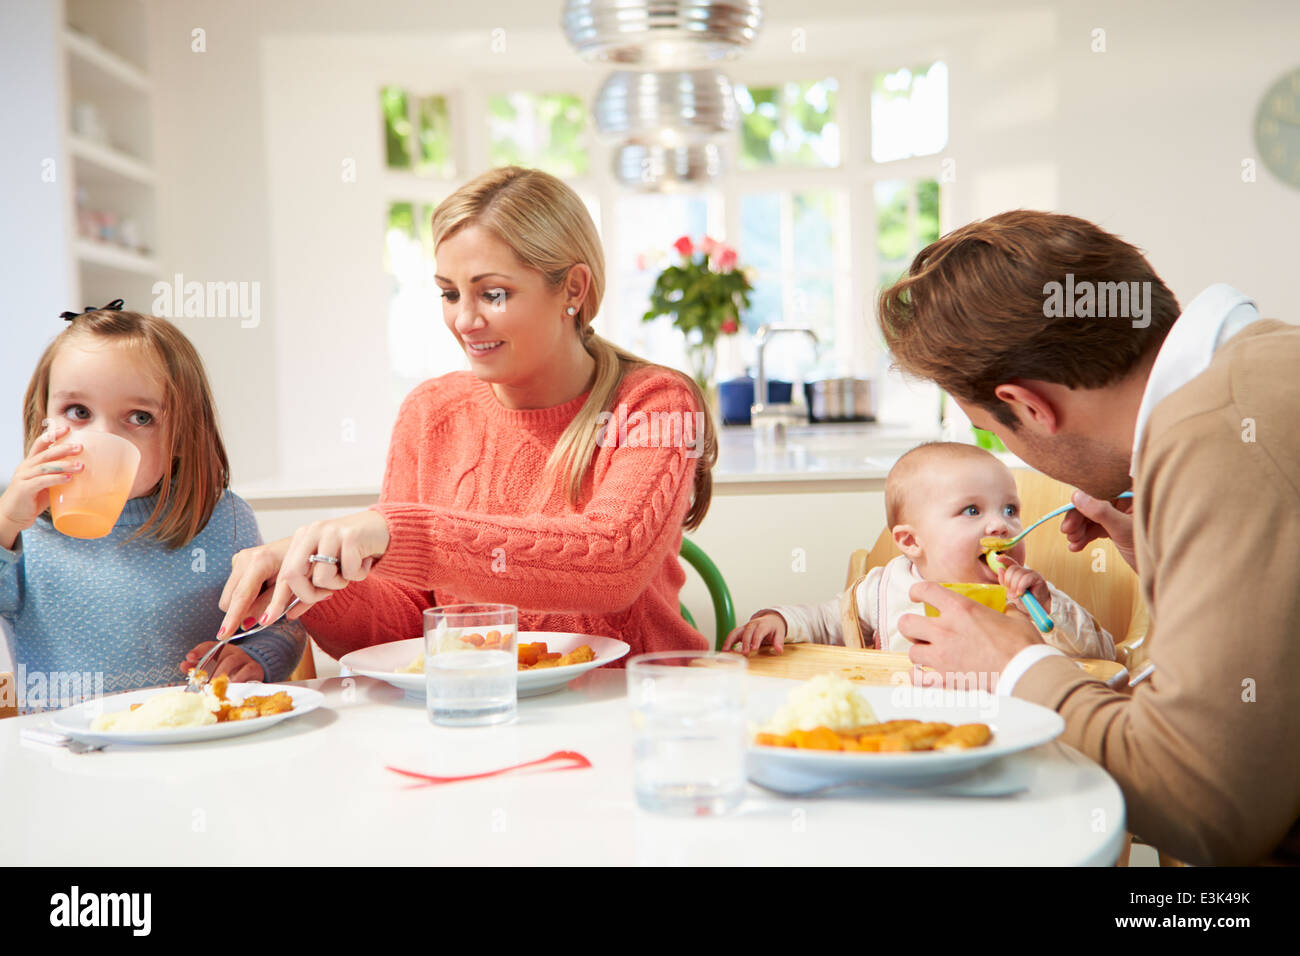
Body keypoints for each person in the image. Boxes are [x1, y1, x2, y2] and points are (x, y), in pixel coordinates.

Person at [877, 209, 1300, 865]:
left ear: (1028, 408)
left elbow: (1207, 808)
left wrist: (1014, 666)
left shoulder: (1217, 433)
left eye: (996, 431)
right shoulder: (1259, 368)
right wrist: (1162, 553)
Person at [210, 166, 717, 665]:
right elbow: (406, 629)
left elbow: (613, 564)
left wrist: (395, 532)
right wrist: (318, 583)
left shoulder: (655, 402)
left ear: (574, 288)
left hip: (637, 711)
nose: (465, 320)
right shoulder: (431, 413)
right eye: (450, 294)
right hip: (483, 716)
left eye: (493, 293)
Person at [0, 306, 306, 710]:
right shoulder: (24, 533)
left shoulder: (222, 522)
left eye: (139, 417)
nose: (100, 436)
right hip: (73, 757)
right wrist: (6, 522)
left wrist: (255, 658)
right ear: (42, 419)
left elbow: (280, 626)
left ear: (181, 436)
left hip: (197, 749)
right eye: (78, 413)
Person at [723, 442, 1114, 660]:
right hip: (900, 721)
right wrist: (782, 621)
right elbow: (828, 622)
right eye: (972, 510)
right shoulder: (883, 587)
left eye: (1010, 509)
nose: (1001, 525)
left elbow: (1101, 655)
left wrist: (1047, 608)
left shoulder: (1028, 598)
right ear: (911, 541)